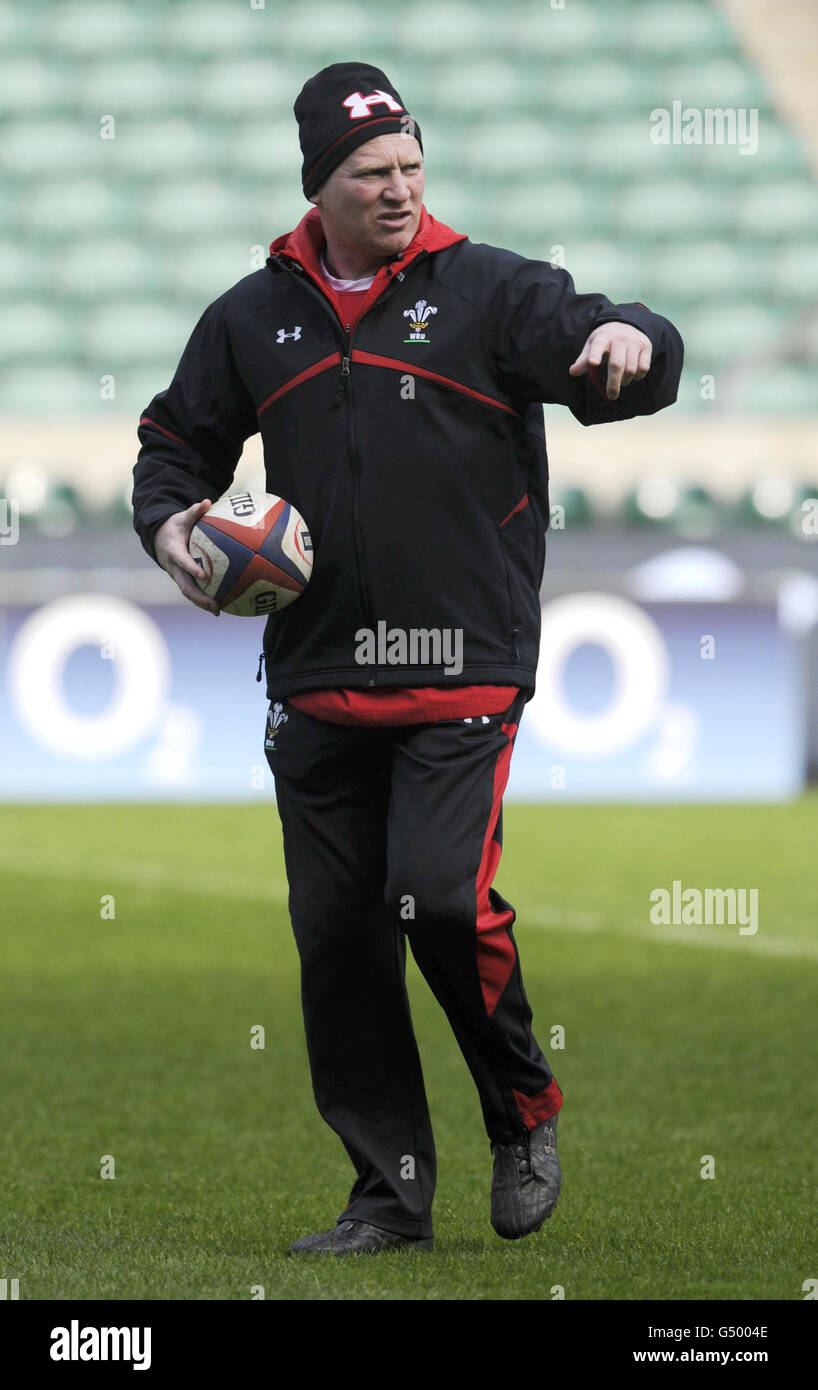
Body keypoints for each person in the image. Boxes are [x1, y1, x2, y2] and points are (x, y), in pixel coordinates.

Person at [132, 61, 683, 1255]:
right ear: (319, 186)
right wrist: (173, 525)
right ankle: (387, 1196)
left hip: (459, 666)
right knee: (338, 946)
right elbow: (173, 441)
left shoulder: (485, 288)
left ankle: (521, 1110)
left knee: (439, 900)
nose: (398, 191)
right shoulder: (248, 317)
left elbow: (613, 332)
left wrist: (626, 340)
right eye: (371, 174)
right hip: (318, 675)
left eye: (410, 169)